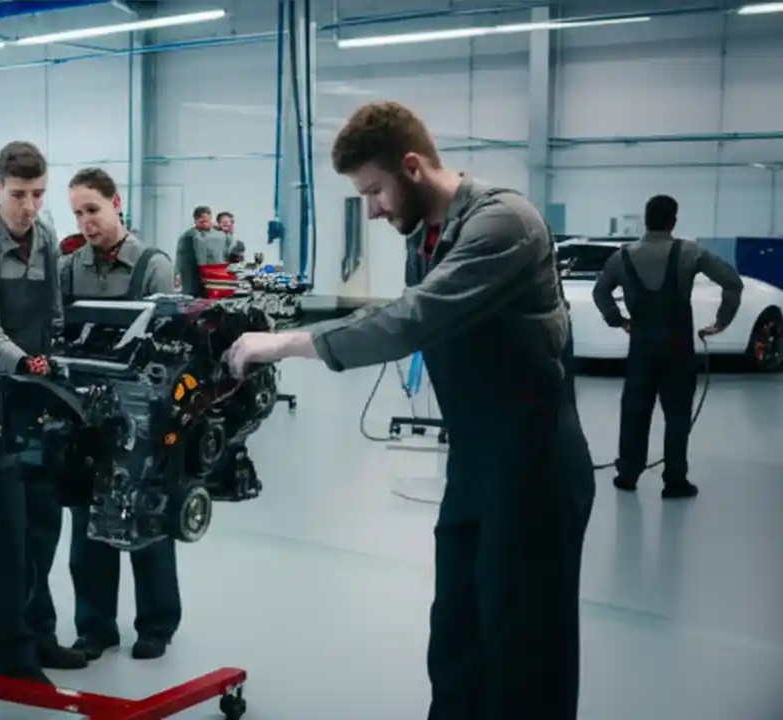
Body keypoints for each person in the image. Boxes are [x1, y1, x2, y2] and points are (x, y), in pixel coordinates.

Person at [225, 100, 596, 719]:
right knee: (456, 636)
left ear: (413, 166)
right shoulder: (427, 238)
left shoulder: (504, 224)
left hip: (534, 468)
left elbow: (413, 319)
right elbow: (405, 312)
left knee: (525, 648)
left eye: (374, 191)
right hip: (475, 465)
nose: (371, 209)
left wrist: (287, 343)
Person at [0, 140, 85, 684]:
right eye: (19, 194)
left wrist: (58, 363)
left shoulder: (46, 237)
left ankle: (41, 634)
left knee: (42, 522)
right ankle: (11, 651)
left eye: (39, 194)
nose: (29, 206)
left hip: (37, 394)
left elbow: (52, 311)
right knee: (2, 532)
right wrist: (27, 363)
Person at [59, 167, 180, 661]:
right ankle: (95, 625)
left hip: (144, 414)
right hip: (87, 412)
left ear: (116, 203)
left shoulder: (152, 263)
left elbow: (170, 344)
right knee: (87, 519)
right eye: (77, 213)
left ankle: (156, 624)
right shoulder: (70, 269)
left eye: (93, 209)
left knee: (147, 517)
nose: (86, 222)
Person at [591, 194, 742, 499]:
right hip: (678, 346)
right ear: (673, 221)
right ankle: (675, 480)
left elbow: (600, 292)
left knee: (634, 411)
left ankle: (628, 474)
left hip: (642, 345)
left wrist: (618, 320)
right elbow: (732, 282)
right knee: (677, 414)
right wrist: (721, 322)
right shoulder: (689, 251)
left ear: (646, 220)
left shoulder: (622, 257)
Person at [174, 205, 234, 296]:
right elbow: (180, 258)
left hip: (217, 279)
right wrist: (176, 274)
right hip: (194, 281)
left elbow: (229, 253)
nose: (205, 224)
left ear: (211, 218)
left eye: (207, 221)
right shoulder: (188, 237)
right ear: (195, 221)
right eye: (202, 222)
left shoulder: (221, 236)